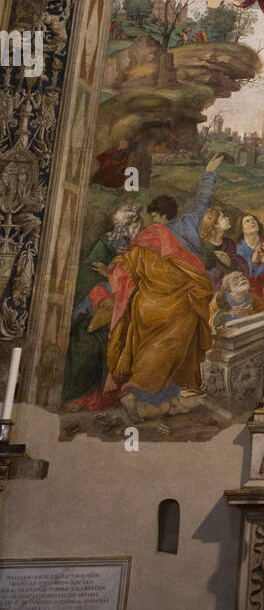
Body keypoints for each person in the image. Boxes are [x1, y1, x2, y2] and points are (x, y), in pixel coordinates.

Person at [105, 155, 225, 419]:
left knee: (150, 348)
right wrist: (209, 173)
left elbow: (128, 269)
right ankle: (139, 394)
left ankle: (149, 398)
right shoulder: (189, 221)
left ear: (158, 215)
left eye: (152, 216)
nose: (151, 221)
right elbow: (202, 200)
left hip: (148, 304)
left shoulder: (150, 235)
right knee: (169, 350)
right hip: (180, 301)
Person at [62, 204, 143, 408]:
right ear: (125, 224)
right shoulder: (106, 244)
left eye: (140, 220)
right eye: (136, 221)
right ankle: (84, 397)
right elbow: (87, 275)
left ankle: (117, 396)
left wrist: (113, 276)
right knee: (88, 346)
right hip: (100, 308)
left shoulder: (137, 246)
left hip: (126, 304)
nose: (140, 224)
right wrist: (104, 292)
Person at [200, 205, 241, 289]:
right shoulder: (202, 245)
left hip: (228, 286)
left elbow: (237, 268)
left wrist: (229, 262)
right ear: (215, 224)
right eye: (223, 217)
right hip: (207, 286)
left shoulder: (230, 243)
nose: (227, 218)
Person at [235, 213, 264, 303]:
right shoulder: (237, 249)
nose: (252, 222)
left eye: (253, 220)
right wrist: (252, 262)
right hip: (246, 292)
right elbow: (240, 276)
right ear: (242, 229)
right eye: (247, 221)